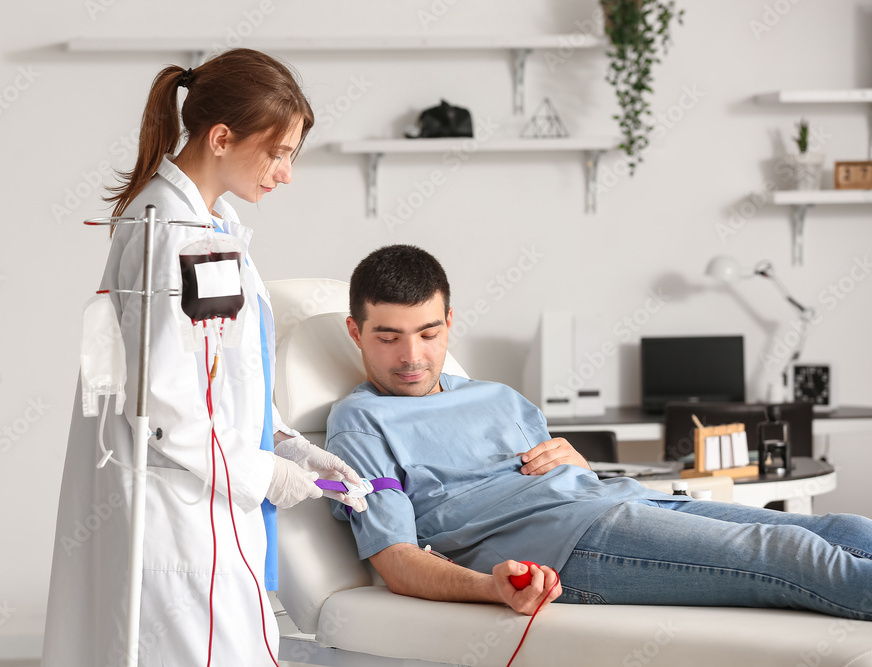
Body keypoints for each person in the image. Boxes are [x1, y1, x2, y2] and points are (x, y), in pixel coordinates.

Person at [325, 244, 872, 621]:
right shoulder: (361, 423)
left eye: (428, 333)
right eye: (389, 338)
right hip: (563, 545)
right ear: (356, 331)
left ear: (450, 321)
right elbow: (395, 560)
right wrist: (490, 587)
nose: (412, 357)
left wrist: (581, 468)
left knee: (842, 529)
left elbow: (558, 477)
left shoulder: (497, 397)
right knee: (793, 551)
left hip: (620, 500)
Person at [42, 49, 366, 667]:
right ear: (221, 138)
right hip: (181, 516)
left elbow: (226, 375)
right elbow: (163, 404)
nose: (286, 174)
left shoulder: (210, 227)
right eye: (278, 153)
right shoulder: (173, 235)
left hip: (204, 506)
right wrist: (264, 473)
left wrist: (289, 444)